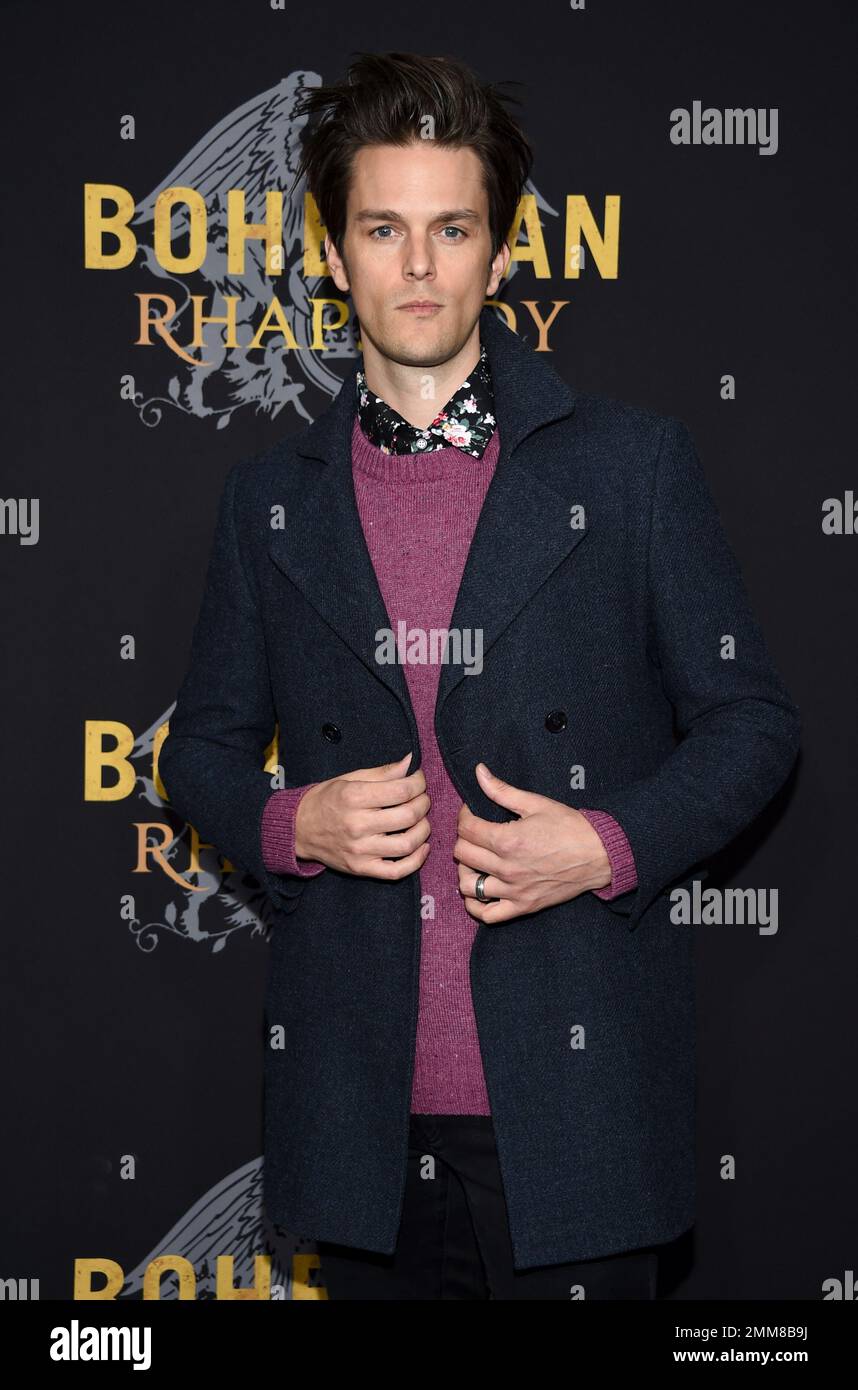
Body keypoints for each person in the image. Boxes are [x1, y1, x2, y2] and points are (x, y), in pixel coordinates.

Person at [159, 51, 801, 1300]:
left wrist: (606, 844)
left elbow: (753, 724)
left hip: (575, 1115)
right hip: (358, 1126)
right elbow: (200, 751)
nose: (416, 265)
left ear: (501, 255)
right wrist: (296, 822)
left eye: (451, 229)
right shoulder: (267, 504)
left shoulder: (631, 468)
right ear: (334, 255)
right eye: (382, 228)